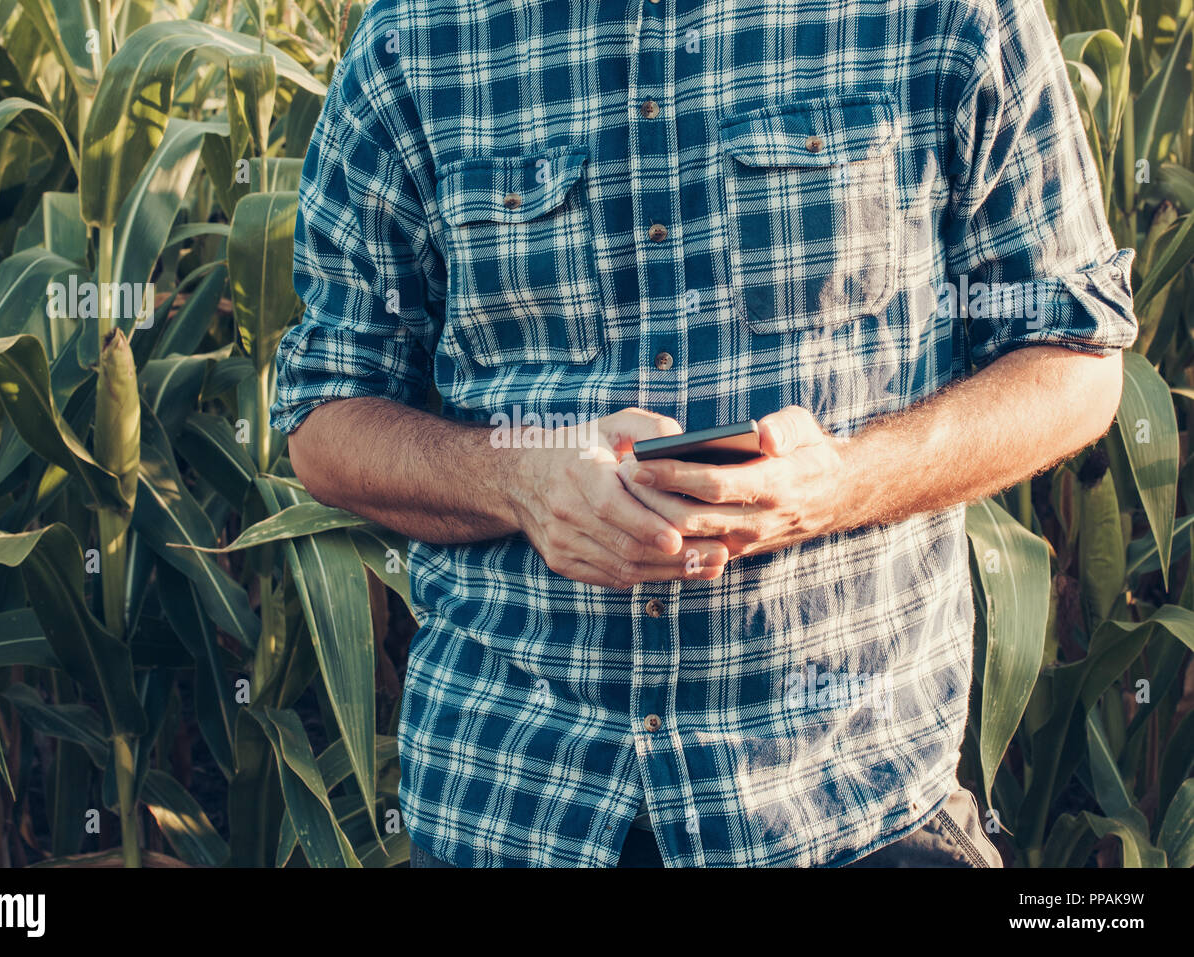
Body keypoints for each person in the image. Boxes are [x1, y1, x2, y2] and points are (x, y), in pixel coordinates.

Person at [272, 0, 1136, 867]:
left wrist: (843, 481)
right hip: (514, 801)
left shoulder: (946, 14)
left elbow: (1074, 357)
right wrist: (518, 480)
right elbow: (323, 411)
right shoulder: (418, 35)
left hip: (849, 806)